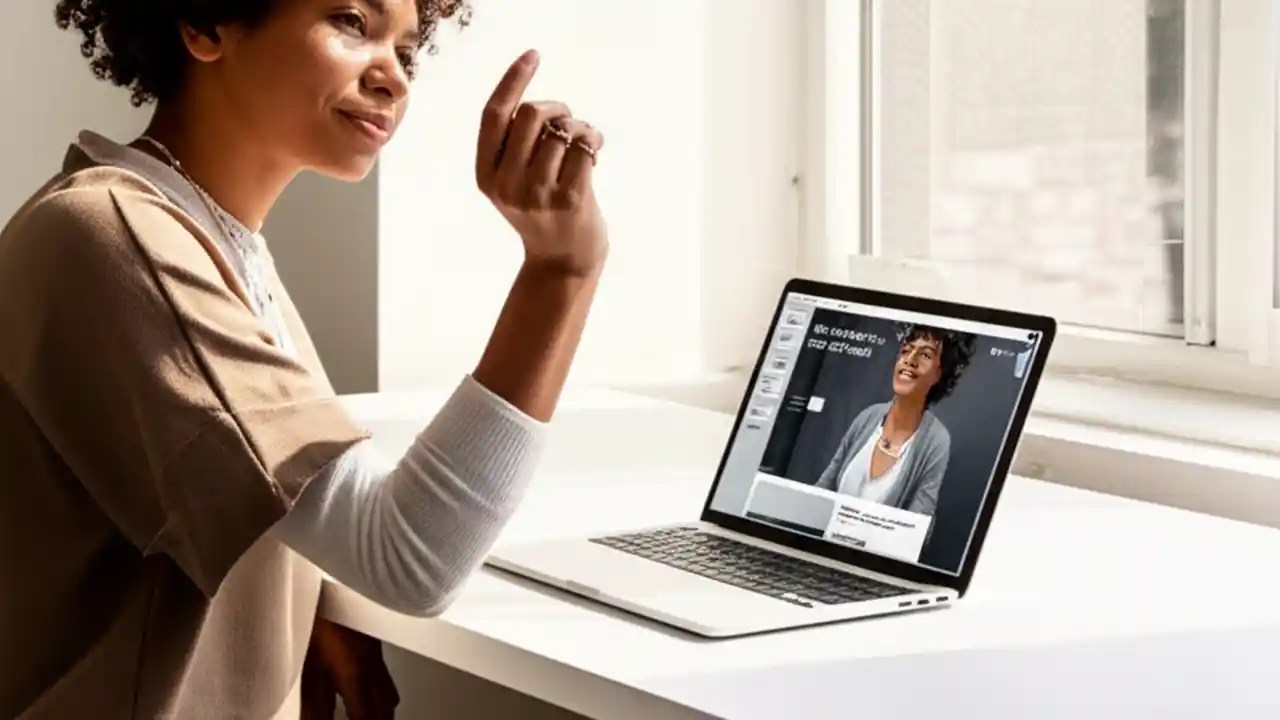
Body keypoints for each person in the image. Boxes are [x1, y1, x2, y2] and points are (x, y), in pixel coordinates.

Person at [0, 1, 608, 718]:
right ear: (204, 20)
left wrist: (305, 588)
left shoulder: (219, 246)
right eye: (353, 22)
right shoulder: (119, 237)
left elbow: (229, 491)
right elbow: (411, 559)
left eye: (406, 51)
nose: (393, 79)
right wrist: (563, 271)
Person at [814, 324, 976, 517]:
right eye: (906, 350)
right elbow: (824, 487)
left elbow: (918, 522)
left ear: (939, 374)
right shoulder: (868, 416)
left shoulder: (936, 441)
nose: (909, 360)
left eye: (925, 355)